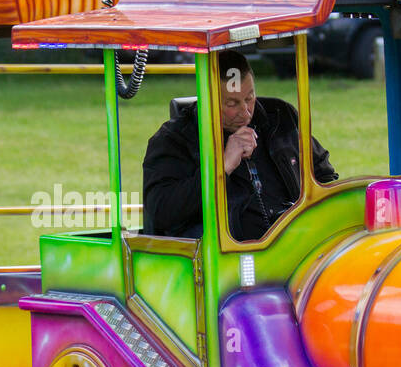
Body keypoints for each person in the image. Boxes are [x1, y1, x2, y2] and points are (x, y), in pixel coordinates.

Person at [142, 50, 338, 241]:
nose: (245, 112)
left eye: (249, 98)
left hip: (299, 243)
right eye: (232, 104)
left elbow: (324, 176)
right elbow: (161, 212)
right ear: (208, 98)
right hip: (231, 259)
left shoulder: (281, 117)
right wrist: (222, 168)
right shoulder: (174, 140)